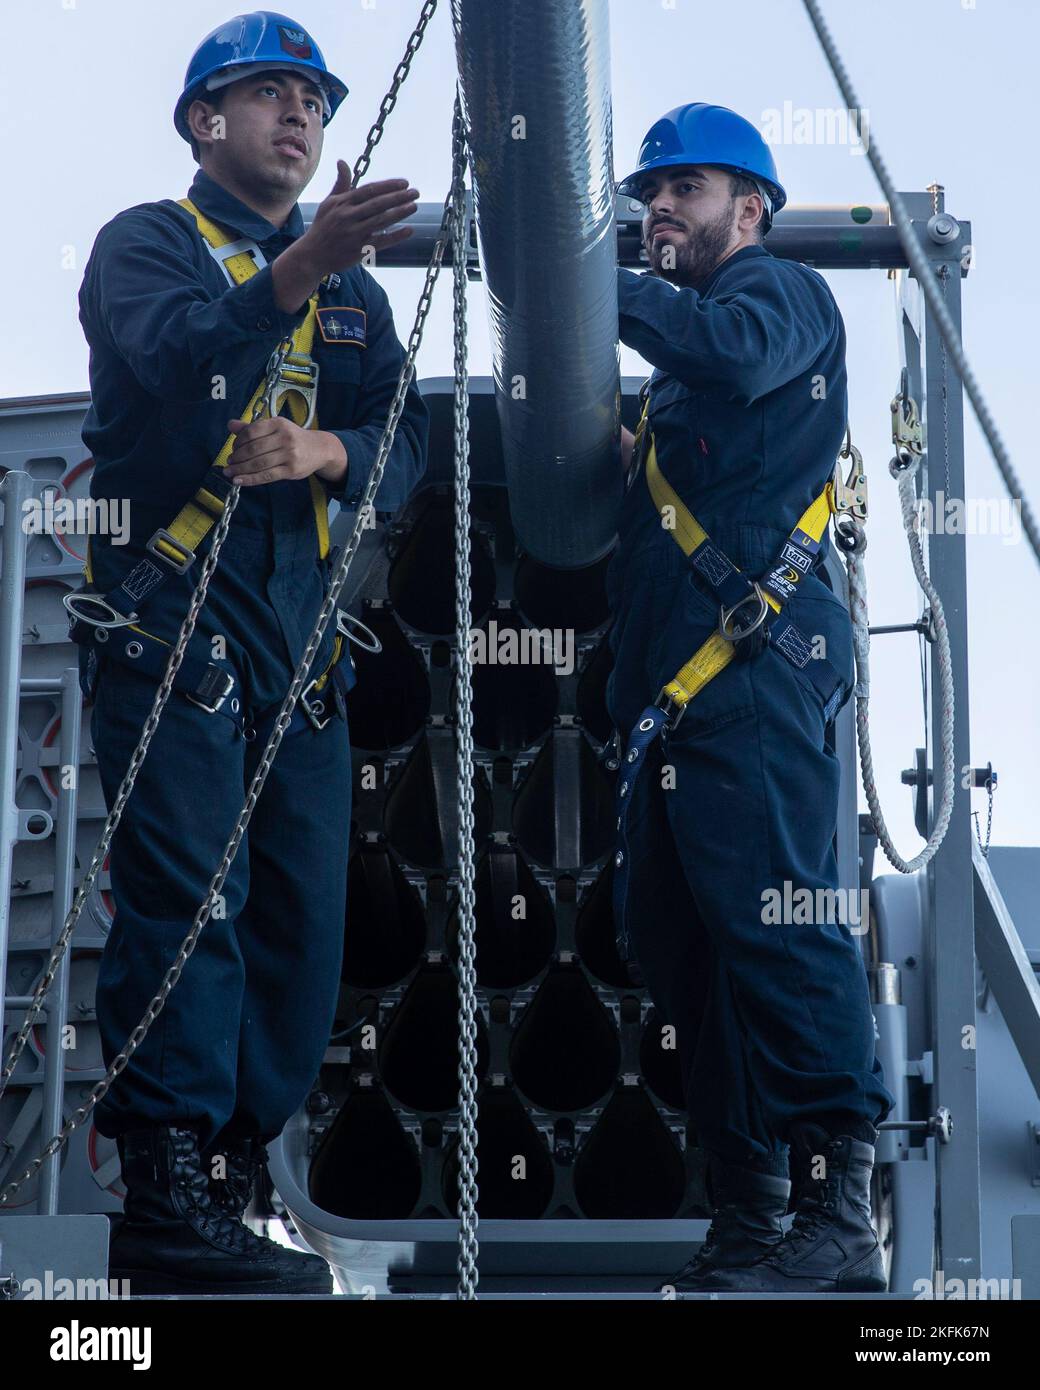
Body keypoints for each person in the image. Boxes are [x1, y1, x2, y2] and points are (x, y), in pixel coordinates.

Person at [72, 10, 428, 1295]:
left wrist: (331, 451)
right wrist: (293, 270)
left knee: (296, 919)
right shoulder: (146, 245)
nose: (299, 117)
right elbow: (169, 360)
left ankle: (230, 1177)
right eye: (268, 93)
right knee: (188, 905)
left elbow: (400, 434)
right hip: (178, 616)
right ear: (200, 121)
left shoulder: (354, 298)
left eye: (314, 102)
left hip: (297, 631)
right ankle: (164, 1192)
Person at [607, 102, 894, 1293]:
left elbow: (721, 350)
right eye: (649, 193)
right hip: (682, 705)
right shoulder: (673, 388)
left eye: (688, 188)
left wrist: (581, 275)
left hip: (758, 676)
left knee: (780, 926)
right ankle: (751, 1213)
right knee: (690, 957)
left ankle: (840, 1218)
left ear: (752, 210)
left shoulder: (778, 299)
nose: (660, 208)